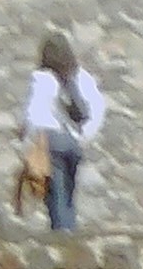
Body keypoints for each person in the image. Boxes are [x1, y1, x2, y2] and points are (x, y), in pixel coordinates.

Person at [18, 35, 103, 232]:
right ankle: (70, 230)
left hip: (51, 140)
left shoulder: (42, 78)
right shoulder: (81, 77)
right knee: (70, 192)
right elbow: (97, 108)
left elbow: (35, 113)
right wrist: (84, 137)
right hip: (73, 143)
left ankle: (62, 235)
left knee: (56, 193)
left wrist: (27, 136)